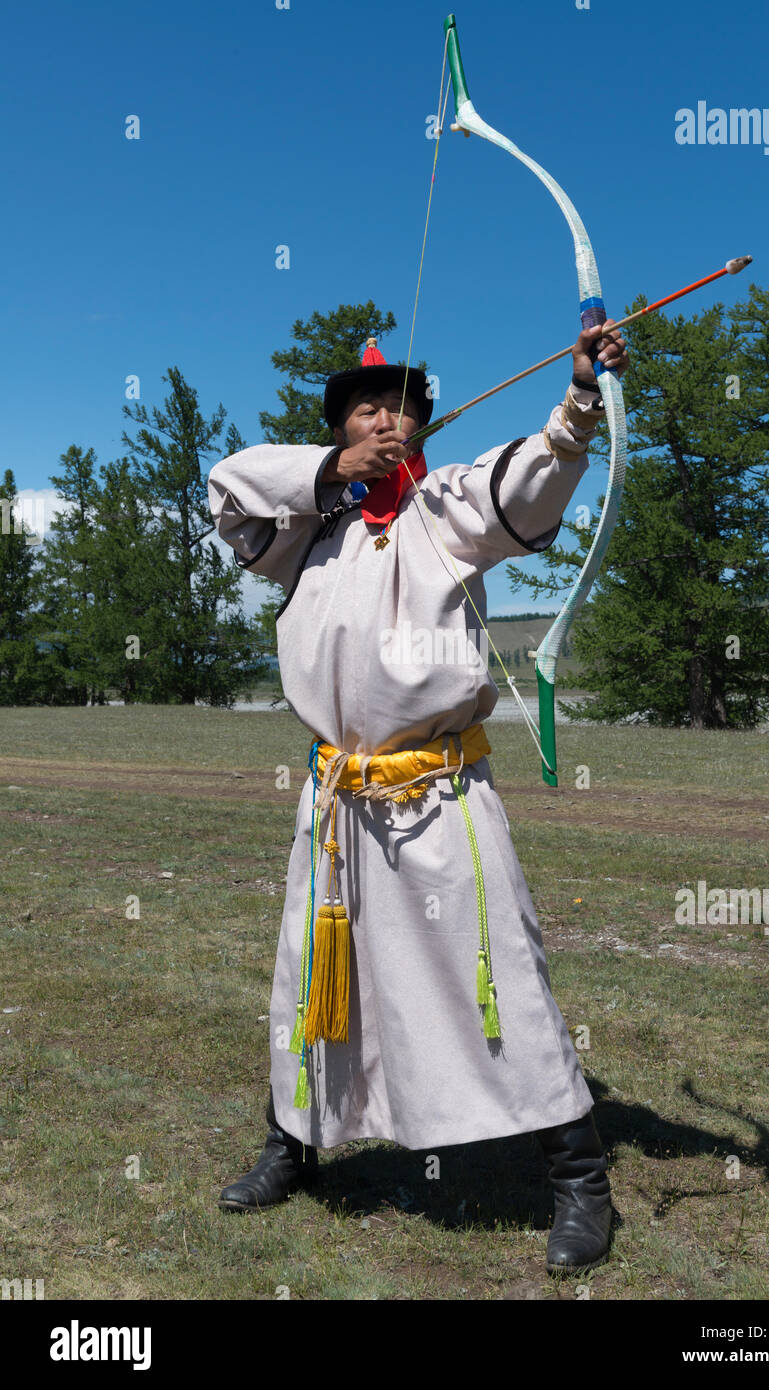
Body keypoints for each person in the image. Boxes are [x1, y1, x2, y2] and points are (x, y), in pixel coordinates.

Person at [207, 321, 628, 1274]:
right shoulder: (304, 532)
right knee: (313, 982)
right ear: (339, 432)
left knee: (499, 973)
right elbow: (227, 484)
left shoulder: (448, 508)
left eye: (400, 407)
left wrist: (578, 404)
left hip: (436, 793)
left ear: (425, 426)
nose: (385, 417)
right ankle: (294, 1144)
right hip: (336, 803)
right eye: (366, 407)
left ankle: (577, 1179)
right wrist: (336, 468)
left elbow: (533, 476)